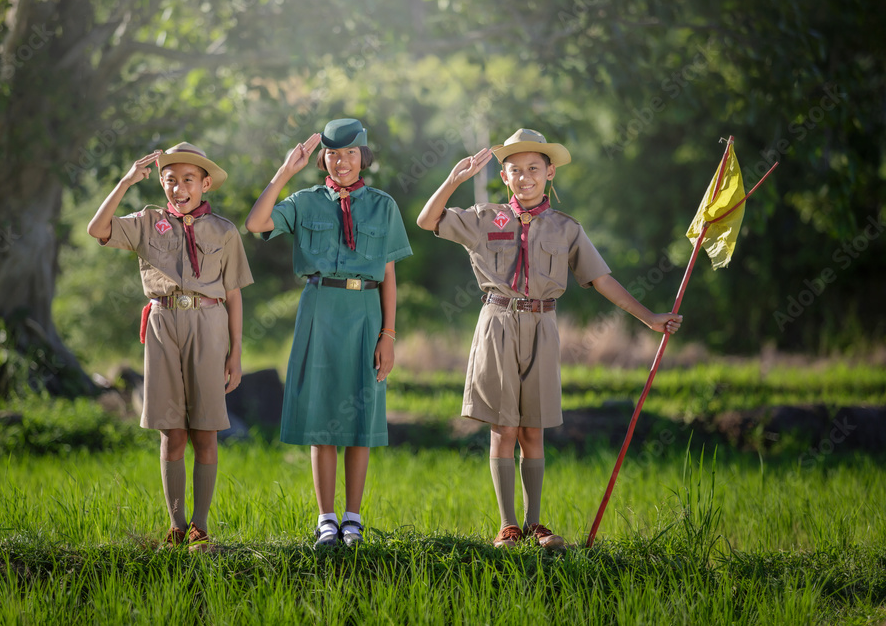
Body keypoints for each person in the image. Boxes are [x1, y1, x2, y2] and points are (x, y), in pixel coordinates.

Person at [416, 128, 682, 549]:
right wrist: (454, 180)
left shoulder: (565, 228)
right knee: (503, 428)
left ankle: (536, 523)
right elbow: (427, 220)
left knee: (533, 430)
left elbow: (601, 279)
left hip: (543, 326)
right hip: (498, 323)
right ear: (504, 176)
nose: (525, 178)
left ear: (550, 172)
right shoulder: (485, 217)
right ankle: (508, 526)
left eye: (534, 169)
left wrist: (648, 317)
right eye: (516, 170)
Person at [245, 118, 412, 548]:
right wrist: (285, 172)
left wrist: (388, 335)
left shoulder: (383, 205)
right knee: (321, 415)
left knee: (361, 416)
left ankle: (353, 519)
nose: (342, 162)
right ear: (323, 157)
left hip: (365, 311)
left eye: (351, 154)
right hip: (319, 308)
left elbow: (389, 275)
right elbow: (256, 224)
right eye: (334, 154)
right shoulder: (304, 201)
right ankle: (326, 520)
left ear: (363, 157)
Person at [87, 142, 253, 551]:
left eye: (188, 180)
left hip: (209, 323)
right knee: (171, 432)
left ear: (205, 183)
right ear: (161, 183)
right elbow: (97, 230)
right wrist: (126, 182)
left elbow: (233, 295)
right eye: (171, 180)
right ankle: (176, 525)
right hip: (163, 323)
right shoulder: (147, 222)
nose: (179, 188)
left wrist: (236, 353)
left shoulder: (225, 231)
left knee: (206, 431)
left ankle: (200, 525)